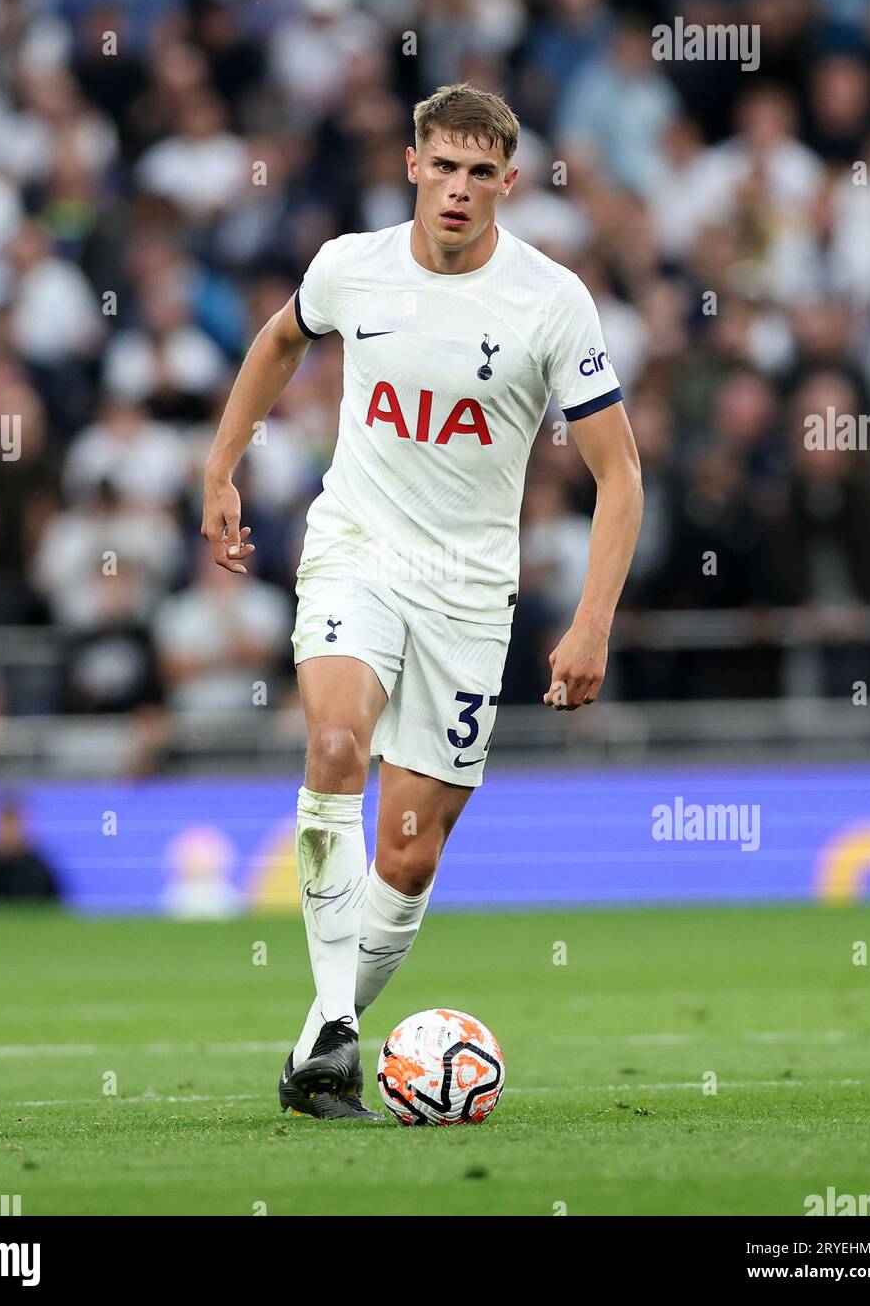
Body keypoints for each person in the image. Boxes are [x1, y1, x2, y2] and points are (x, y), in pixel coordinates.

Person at [201, 83, 643, 1119]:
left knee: (406, 850)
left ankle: (323, 1033)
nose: (456, 188)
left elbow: (620, 474)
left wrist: (589, 621)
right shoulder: (348, 265)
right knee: (336, 750)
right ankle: (335, 1037)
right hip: (355, 548)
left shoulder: (549, 300)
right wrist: (222, 466)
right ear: (410, 164)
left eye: (478, 172)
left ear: (507, 182)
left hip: (470, 592)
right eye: (440, 166)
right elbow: (277, 341)